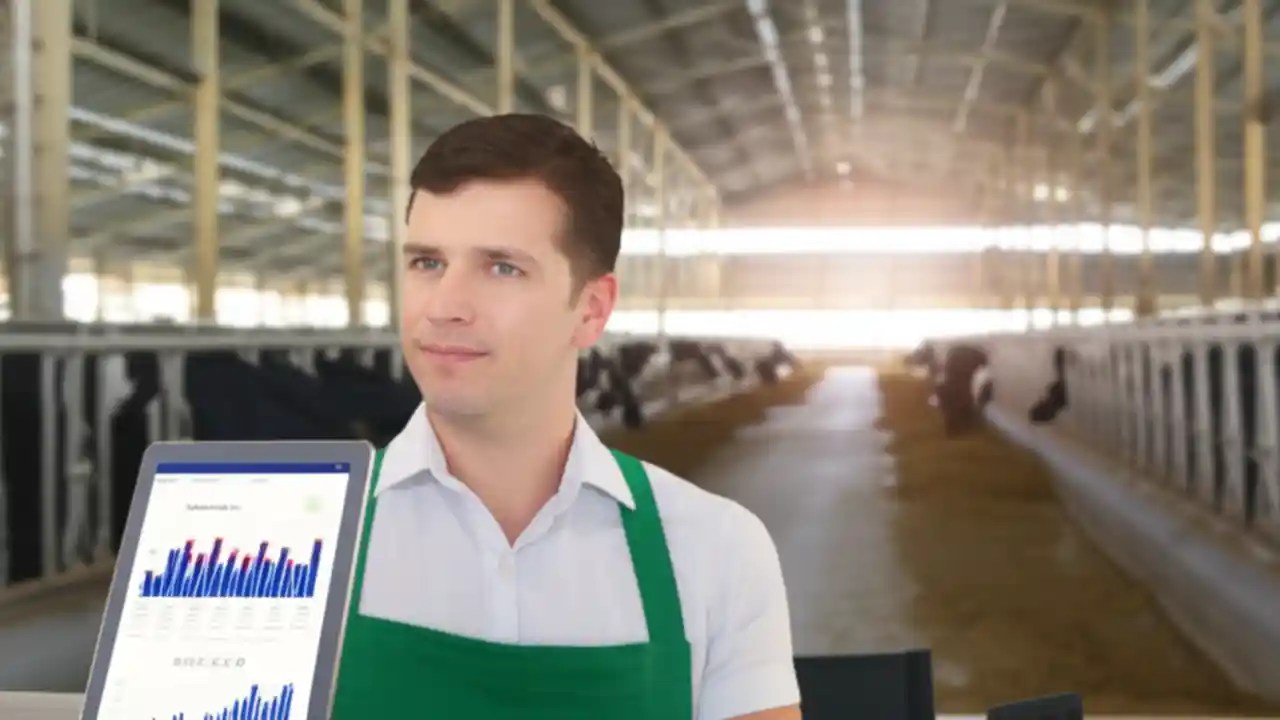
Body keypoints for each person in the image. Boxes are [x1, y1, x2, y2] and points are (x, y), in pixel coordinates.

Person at [330, 113, 802, 719]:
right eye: (426, 263)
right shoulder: (289, 542)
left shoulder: (717, 550)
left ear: (591, 309)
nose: (444, 306)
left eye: (503, 267)